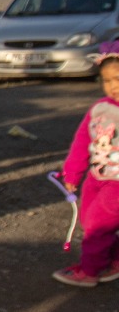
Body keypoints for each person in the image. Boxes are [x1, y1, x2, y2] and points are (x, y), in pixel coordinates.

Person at [53, 41, 119, 286]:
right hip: (97, 177)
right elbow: (82, 141)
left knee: (97, 226)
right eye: (107, 80)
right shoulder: (100, 108)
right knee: (89, 220)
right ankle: (114, 259)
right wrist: (72, 174)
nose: (113, 86)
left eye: (118, 79)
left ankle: (90, 271)